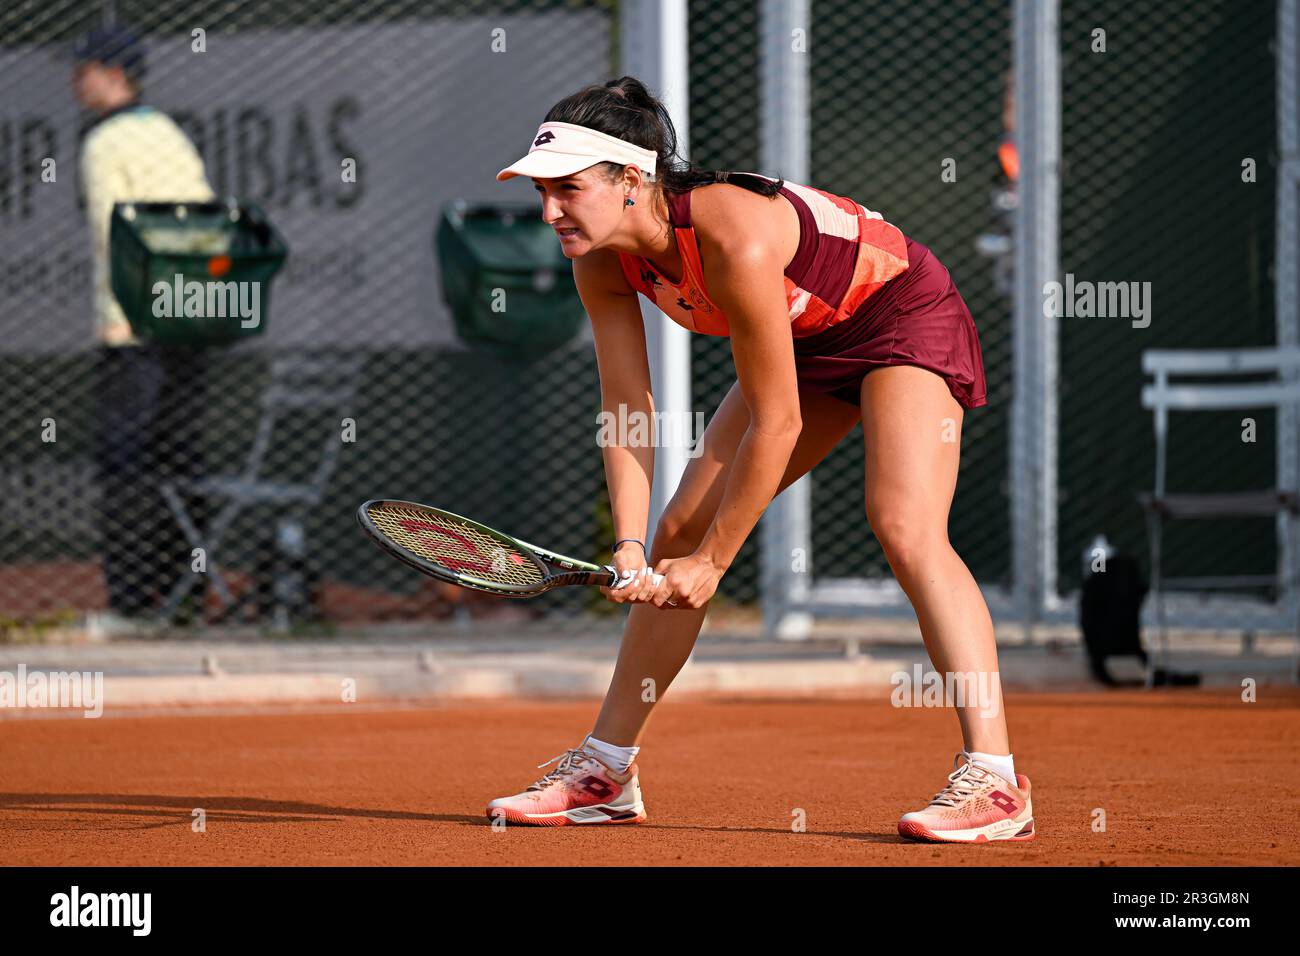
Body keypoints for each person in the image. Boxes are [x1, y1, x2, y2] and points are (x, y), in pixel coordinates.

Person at [485, 76, 1033, 843]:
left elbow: (777, 423)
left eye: (568, 189)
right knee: (680, 522)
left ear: (632, 180)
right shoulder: (598, 255)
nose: (550, 212)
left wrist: (714, 563)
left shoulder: (733, 237)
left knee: (903, 523)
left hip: (899, 314)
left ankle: (996, 782)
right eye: (542, 191)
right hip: (807, 338)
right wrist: (633, 546)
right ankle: (606, 772)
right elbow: (627, 409)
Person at [72, 28, 216, 632]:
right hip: (190, 322)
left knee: (125, 461)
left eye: (82, 68)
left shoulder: (104, 140)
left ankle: (131, 607)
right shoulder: (167, 133)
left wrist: (124, 313)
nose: (75, 79)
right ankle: (185, 596)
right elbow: (208, 219)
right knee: (180, 457)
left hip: (133, 329)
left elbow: (115, 234)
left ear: (110, 73)